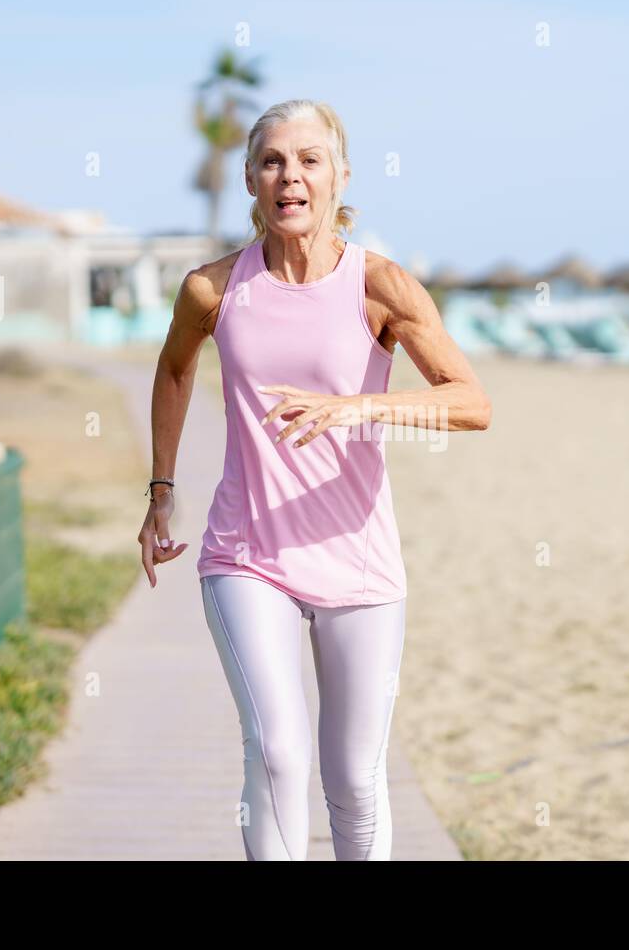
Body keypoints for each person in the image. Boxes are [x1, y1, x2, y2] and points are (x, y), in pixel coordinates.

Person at [139, 99, 491, 860]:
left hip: (359, 560)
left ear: (339, 177)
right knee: (276, 755)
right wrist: (161, 492)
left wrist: (359, 407)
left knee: (356, 781)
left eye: (308, 160)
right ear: (250, 181)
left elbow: (470, 404)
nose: (289, 175)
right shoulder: (213, 290)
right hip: (247, 555)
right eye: (272, 161)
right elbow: (172, 369)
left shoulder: (381, 286)